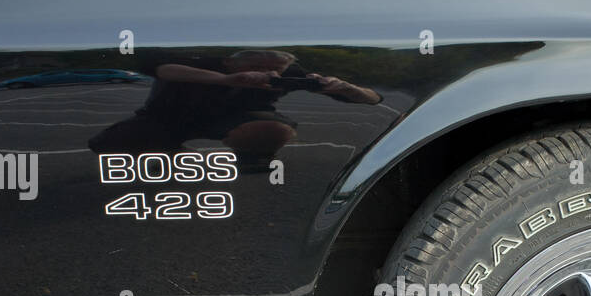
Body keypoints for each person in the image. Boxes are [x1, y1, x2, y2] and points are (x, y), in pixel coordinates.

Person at [89, 49, 381, 170]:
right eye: (258, 69)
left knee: (272, 128)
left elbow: (374, 100)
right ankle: (169, 152)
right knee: (109, 145)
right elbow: (161, 69)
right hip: (169, 117)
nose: (267, 75)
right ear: (230, 62)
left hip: (235, 118)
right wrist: (227, 80)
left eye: (276, 70)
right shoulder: (206, 61)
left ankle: (251, 157)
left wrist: (344, 87)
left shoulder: (289, 74)